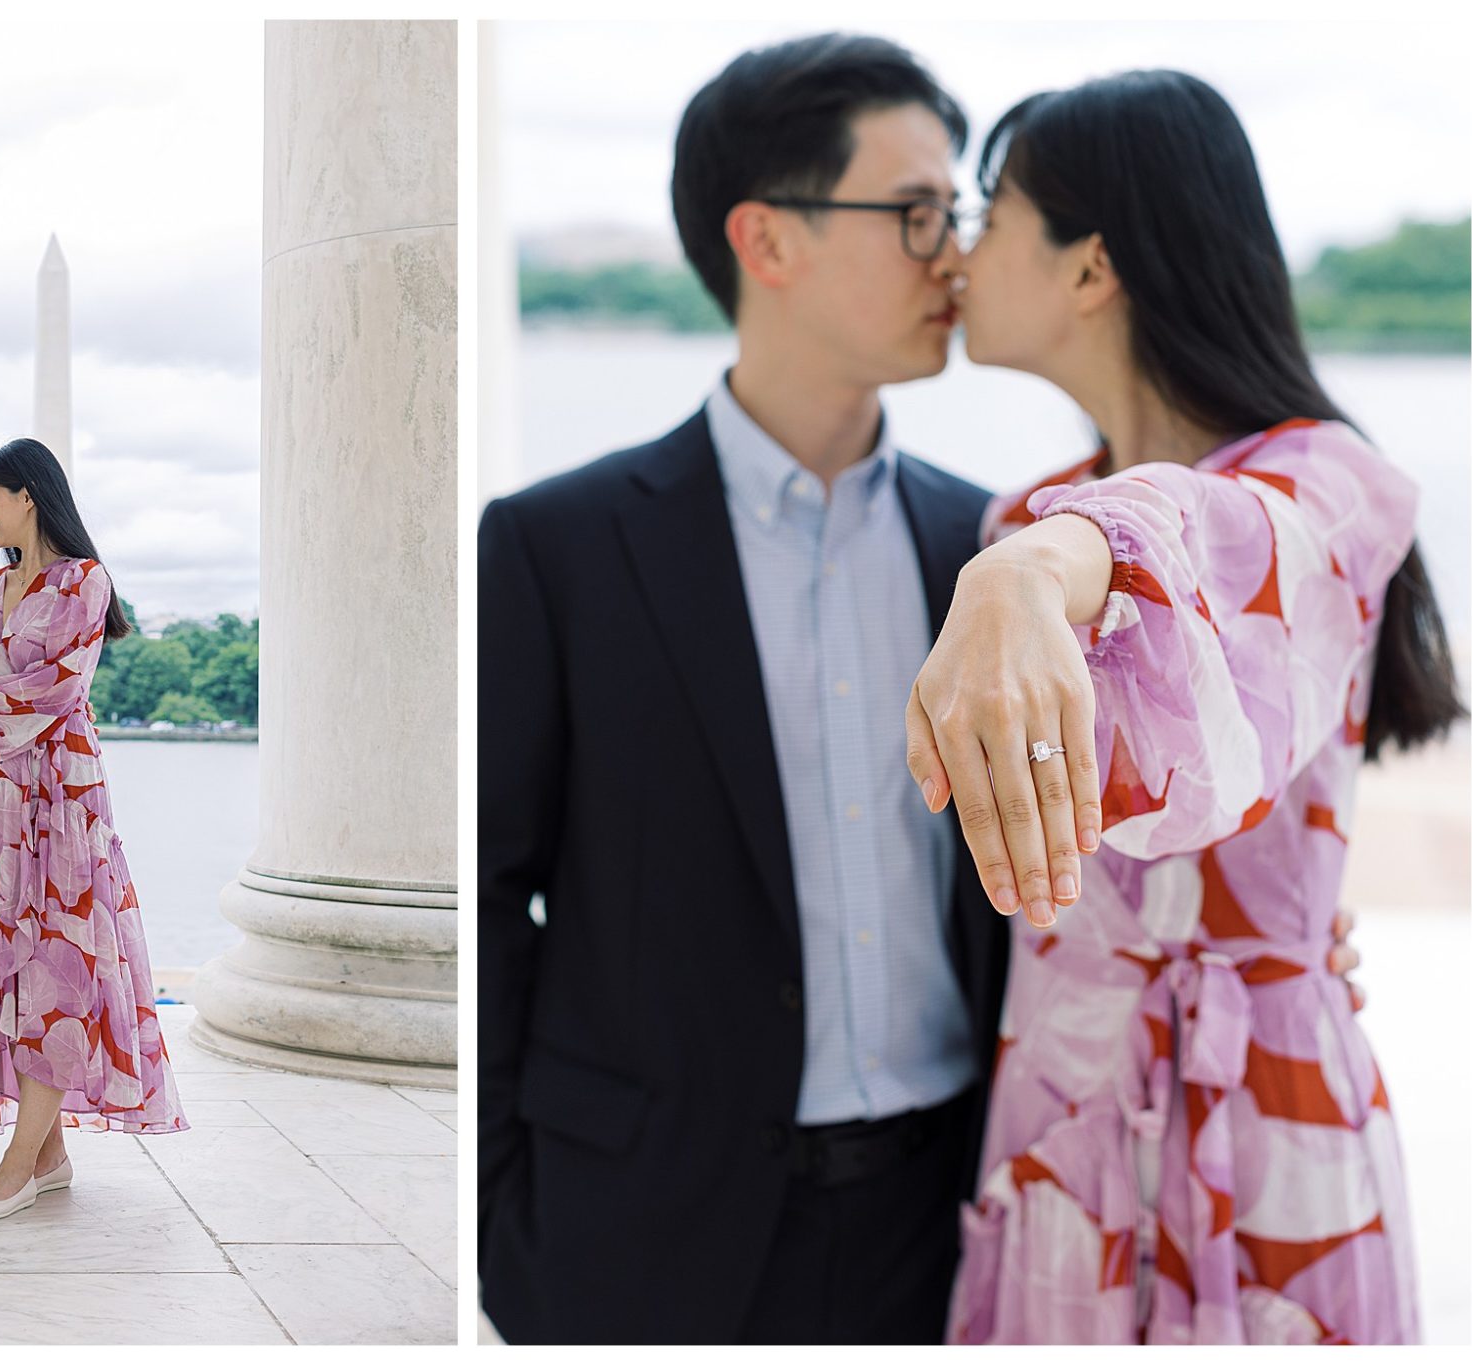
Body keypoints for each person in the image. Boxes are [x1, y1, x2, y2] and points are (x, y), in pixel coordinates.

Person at [477, 35, 1363, 1346]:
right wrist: (506, 1219)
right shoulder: (556, 544)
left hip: (949, 1218)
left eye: (961, 213)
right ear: (765, 242)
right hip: (639, 1228)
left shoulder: (999, 544)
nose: (952, 252)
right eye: (915, 213)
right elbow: (494, 902)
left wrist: (1284, 933)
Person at [911, 70, 1460, 1344]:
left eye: (991, 217)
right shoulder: (1014, 521)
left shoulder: (1329, 483)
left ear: (1089, 265)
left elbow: (1232, 541)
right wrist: (1029, 551)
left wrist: (1046, 564)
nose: (960, 255)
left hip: (1263, 1114)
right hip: (1054, 1103)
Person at [0, 437, 188, 1223]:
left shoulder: (84, 581)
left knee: (56, 971)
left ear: (26, 495)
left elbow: (58, 689)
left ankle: (18, 1167)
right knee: (11, 965)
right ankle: (51, 1153)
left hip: (62, 801)